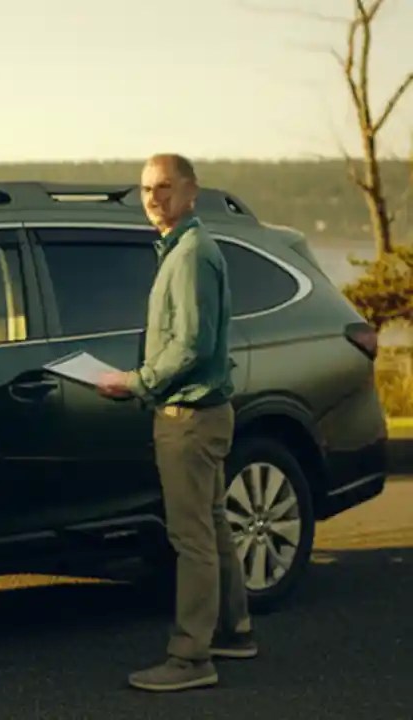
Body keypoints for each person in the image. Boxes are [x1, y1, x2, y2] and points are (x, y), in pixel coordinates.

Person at [96, 153, 255, 693]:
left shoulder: (189, 256)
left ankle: (191, 657)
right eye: (145, 189)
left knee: (192, 539)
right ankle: (233, 630)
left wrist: (135, 381)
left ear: (191, 191)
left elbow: (190, 345)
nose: (153, 198)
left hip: (188, 415)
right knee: (212, 527)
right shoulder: (184, 249)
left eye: (164, 187)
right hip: (203, 412)